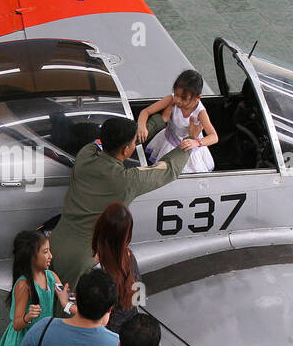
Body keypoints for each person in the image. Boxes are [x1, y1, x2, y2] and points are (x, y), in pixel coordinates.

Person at [50, 116, 192, 291]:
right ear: (126, 150)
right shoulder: (127, 181)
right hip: (80, 259)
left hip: (54, 243)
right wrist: (190, 139)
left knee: (47, 297)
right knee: (68, 311)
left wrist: (159, 120)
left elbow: (109, 142)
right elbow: (169, 168)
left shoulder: (85, 155)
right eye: (132, 143)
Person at [137, 69, 218, 174]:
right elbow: (146, 111)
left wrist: (196, 142)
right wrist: (141, 125)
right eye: (176, 94)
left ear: (197, 98)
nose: (178, 100)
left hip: (189, 147)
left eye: (184, 98)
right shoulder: (171, 99)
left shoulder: (200, 112)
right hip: (170, 142)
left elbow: (214, 137)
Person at [90, 202, 140, 334]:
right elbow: (137, 298)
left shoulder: (97, 270)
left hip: (108, 334)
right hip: (127, 332)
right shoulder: (129, 258)